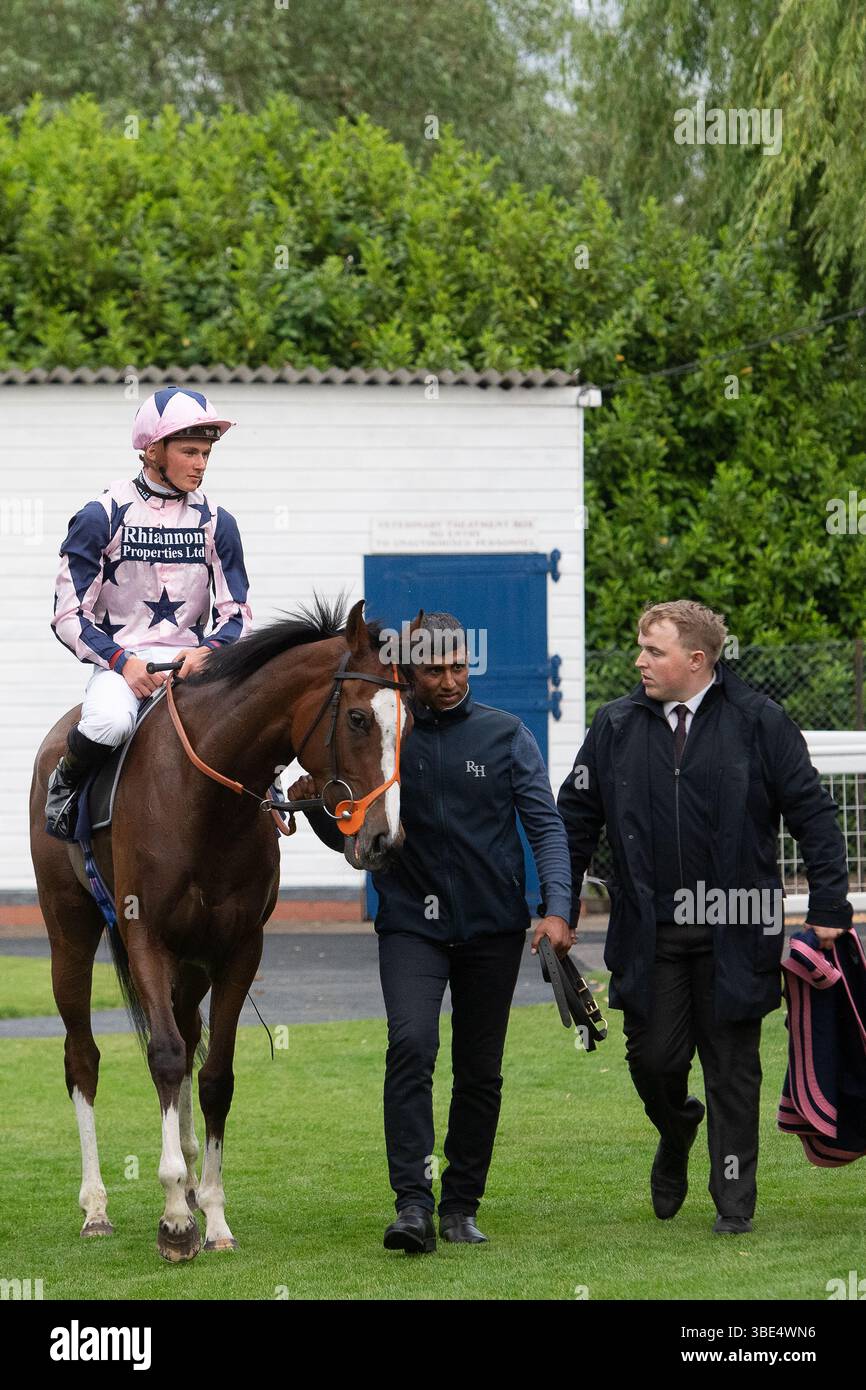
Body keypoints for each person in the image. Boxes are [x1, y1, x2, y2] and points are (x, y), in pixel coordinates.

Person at [557, 599, 852, 1234]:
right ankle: (675, 1127)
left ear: (697, 660)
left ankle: (734, 1208)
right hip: (648, 935)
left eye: (653, 650)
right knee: (655, 1062)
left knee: (732, 1068)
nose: (639, 661)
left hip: (737, 934)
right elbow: (574, 819)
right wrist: (561, 902)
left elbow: (814, 816)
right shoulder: (614, 726)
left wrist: (831, 905)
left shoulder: (759, 722)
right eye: (640, 647)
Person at [288, 612, 573, 1253]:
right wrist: (314, 810)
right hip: (411, 925)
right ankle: (413, 1206)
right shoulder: (389, 737)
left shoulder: (506, 735)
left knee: (479, 1072)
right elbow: (354, 840)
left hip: (493, 930)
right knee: (412, 1049)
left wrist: (557, 908)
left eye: (458, 667)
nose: (448, 681)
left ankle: (461, 1207)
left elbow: (546, 827)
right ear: (408, 674)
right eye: (434, 670)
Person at [45, 386, 253, 839]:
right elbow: (67, 614)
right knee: (109, 722)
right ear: (153, 450)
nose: (201, 464)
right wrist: (124, 663)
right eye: (190, 451)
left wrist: (208, 653)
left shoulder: (219, 521)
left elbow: (237, 613)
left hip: (194, 666)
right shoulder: (101, 514)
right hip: (123, 666)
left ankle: (272, 809)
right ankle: (66, 785)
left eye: (206, 453)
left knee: (253, 721)